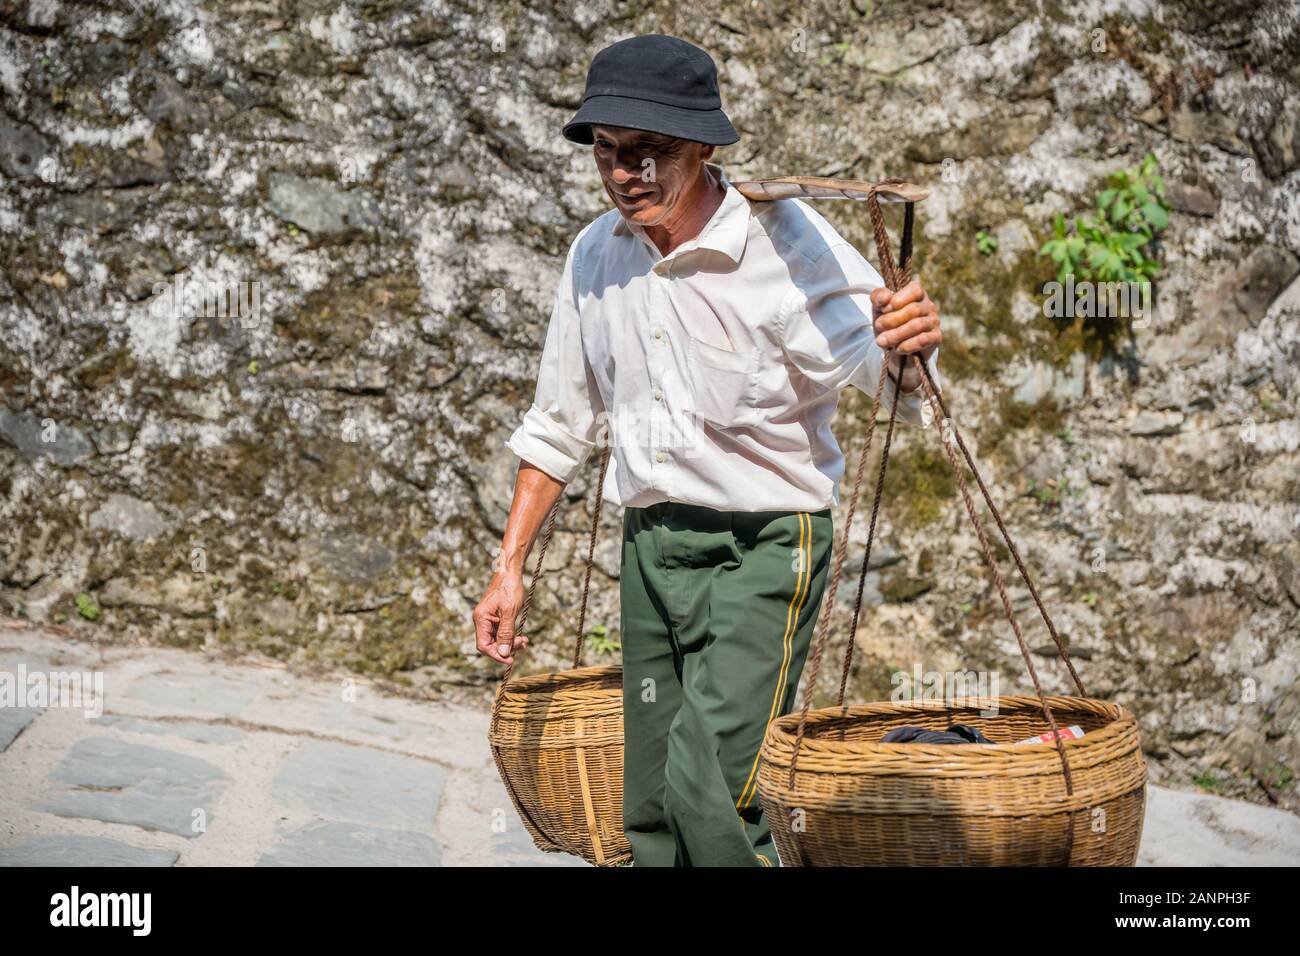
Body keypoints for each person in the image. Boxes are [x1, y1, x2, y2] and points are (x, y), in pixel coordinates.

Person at [472, 33, 942, 866]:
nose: (625, 174)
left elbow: (889, 373)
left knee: (710, 788)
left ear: (703, 148)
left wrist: (911, 342)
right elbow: (559, 423)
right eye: (609, 153)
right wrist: (509, 564)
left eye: (648, 153)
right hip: (652, 552)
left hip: (763, 549)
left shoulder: (785, 245)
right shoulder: (596, 256)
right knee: (649, 801)